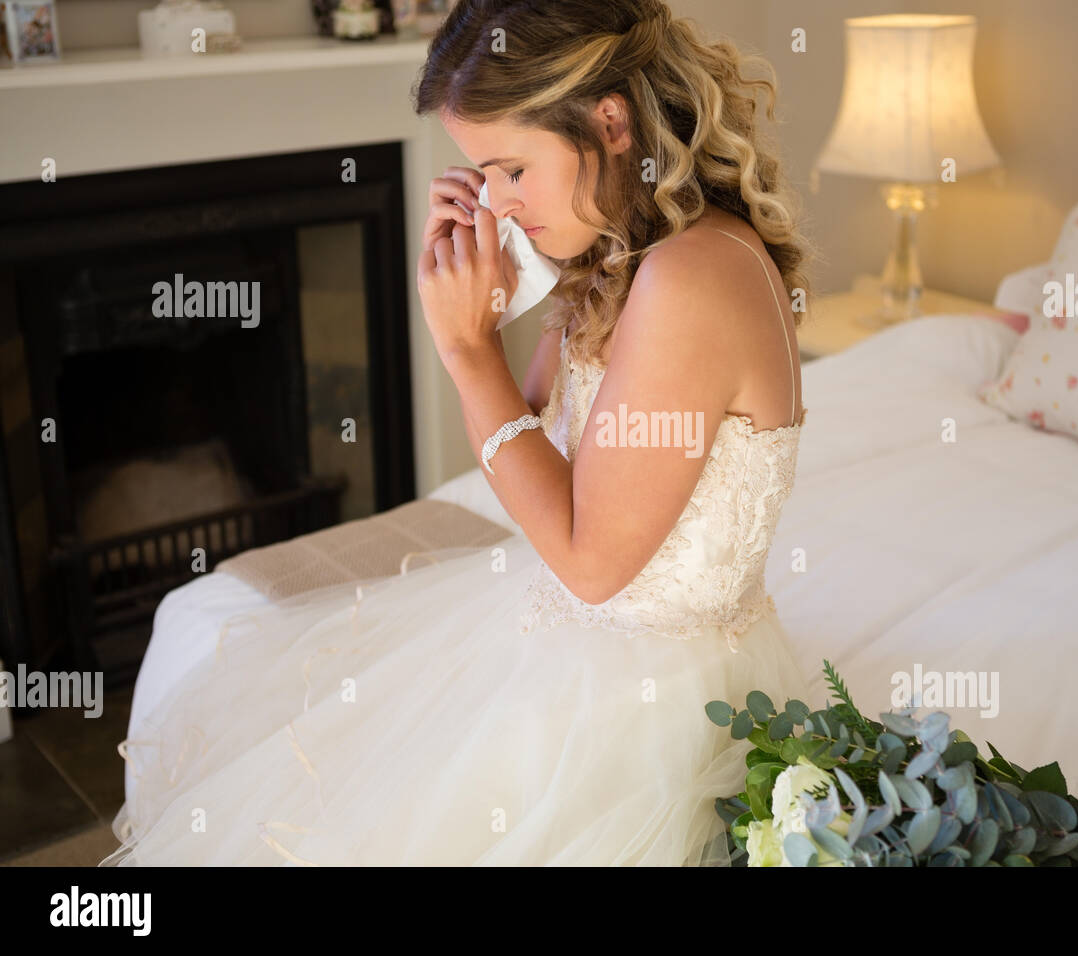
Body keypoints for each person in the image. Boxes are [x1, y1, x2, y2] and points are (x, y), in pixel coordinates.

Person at [101, 0, 820, 866]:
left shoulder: (690, 277)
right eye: (482, 175)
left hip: (651, 695)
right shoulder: (628, 250)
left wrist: (463, 349)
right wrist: (515, 281)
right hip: (578, 636)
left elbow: (590, 562)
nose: (497, 200)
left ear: (612, 121)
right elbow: (540, 437)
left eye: (511, 168)